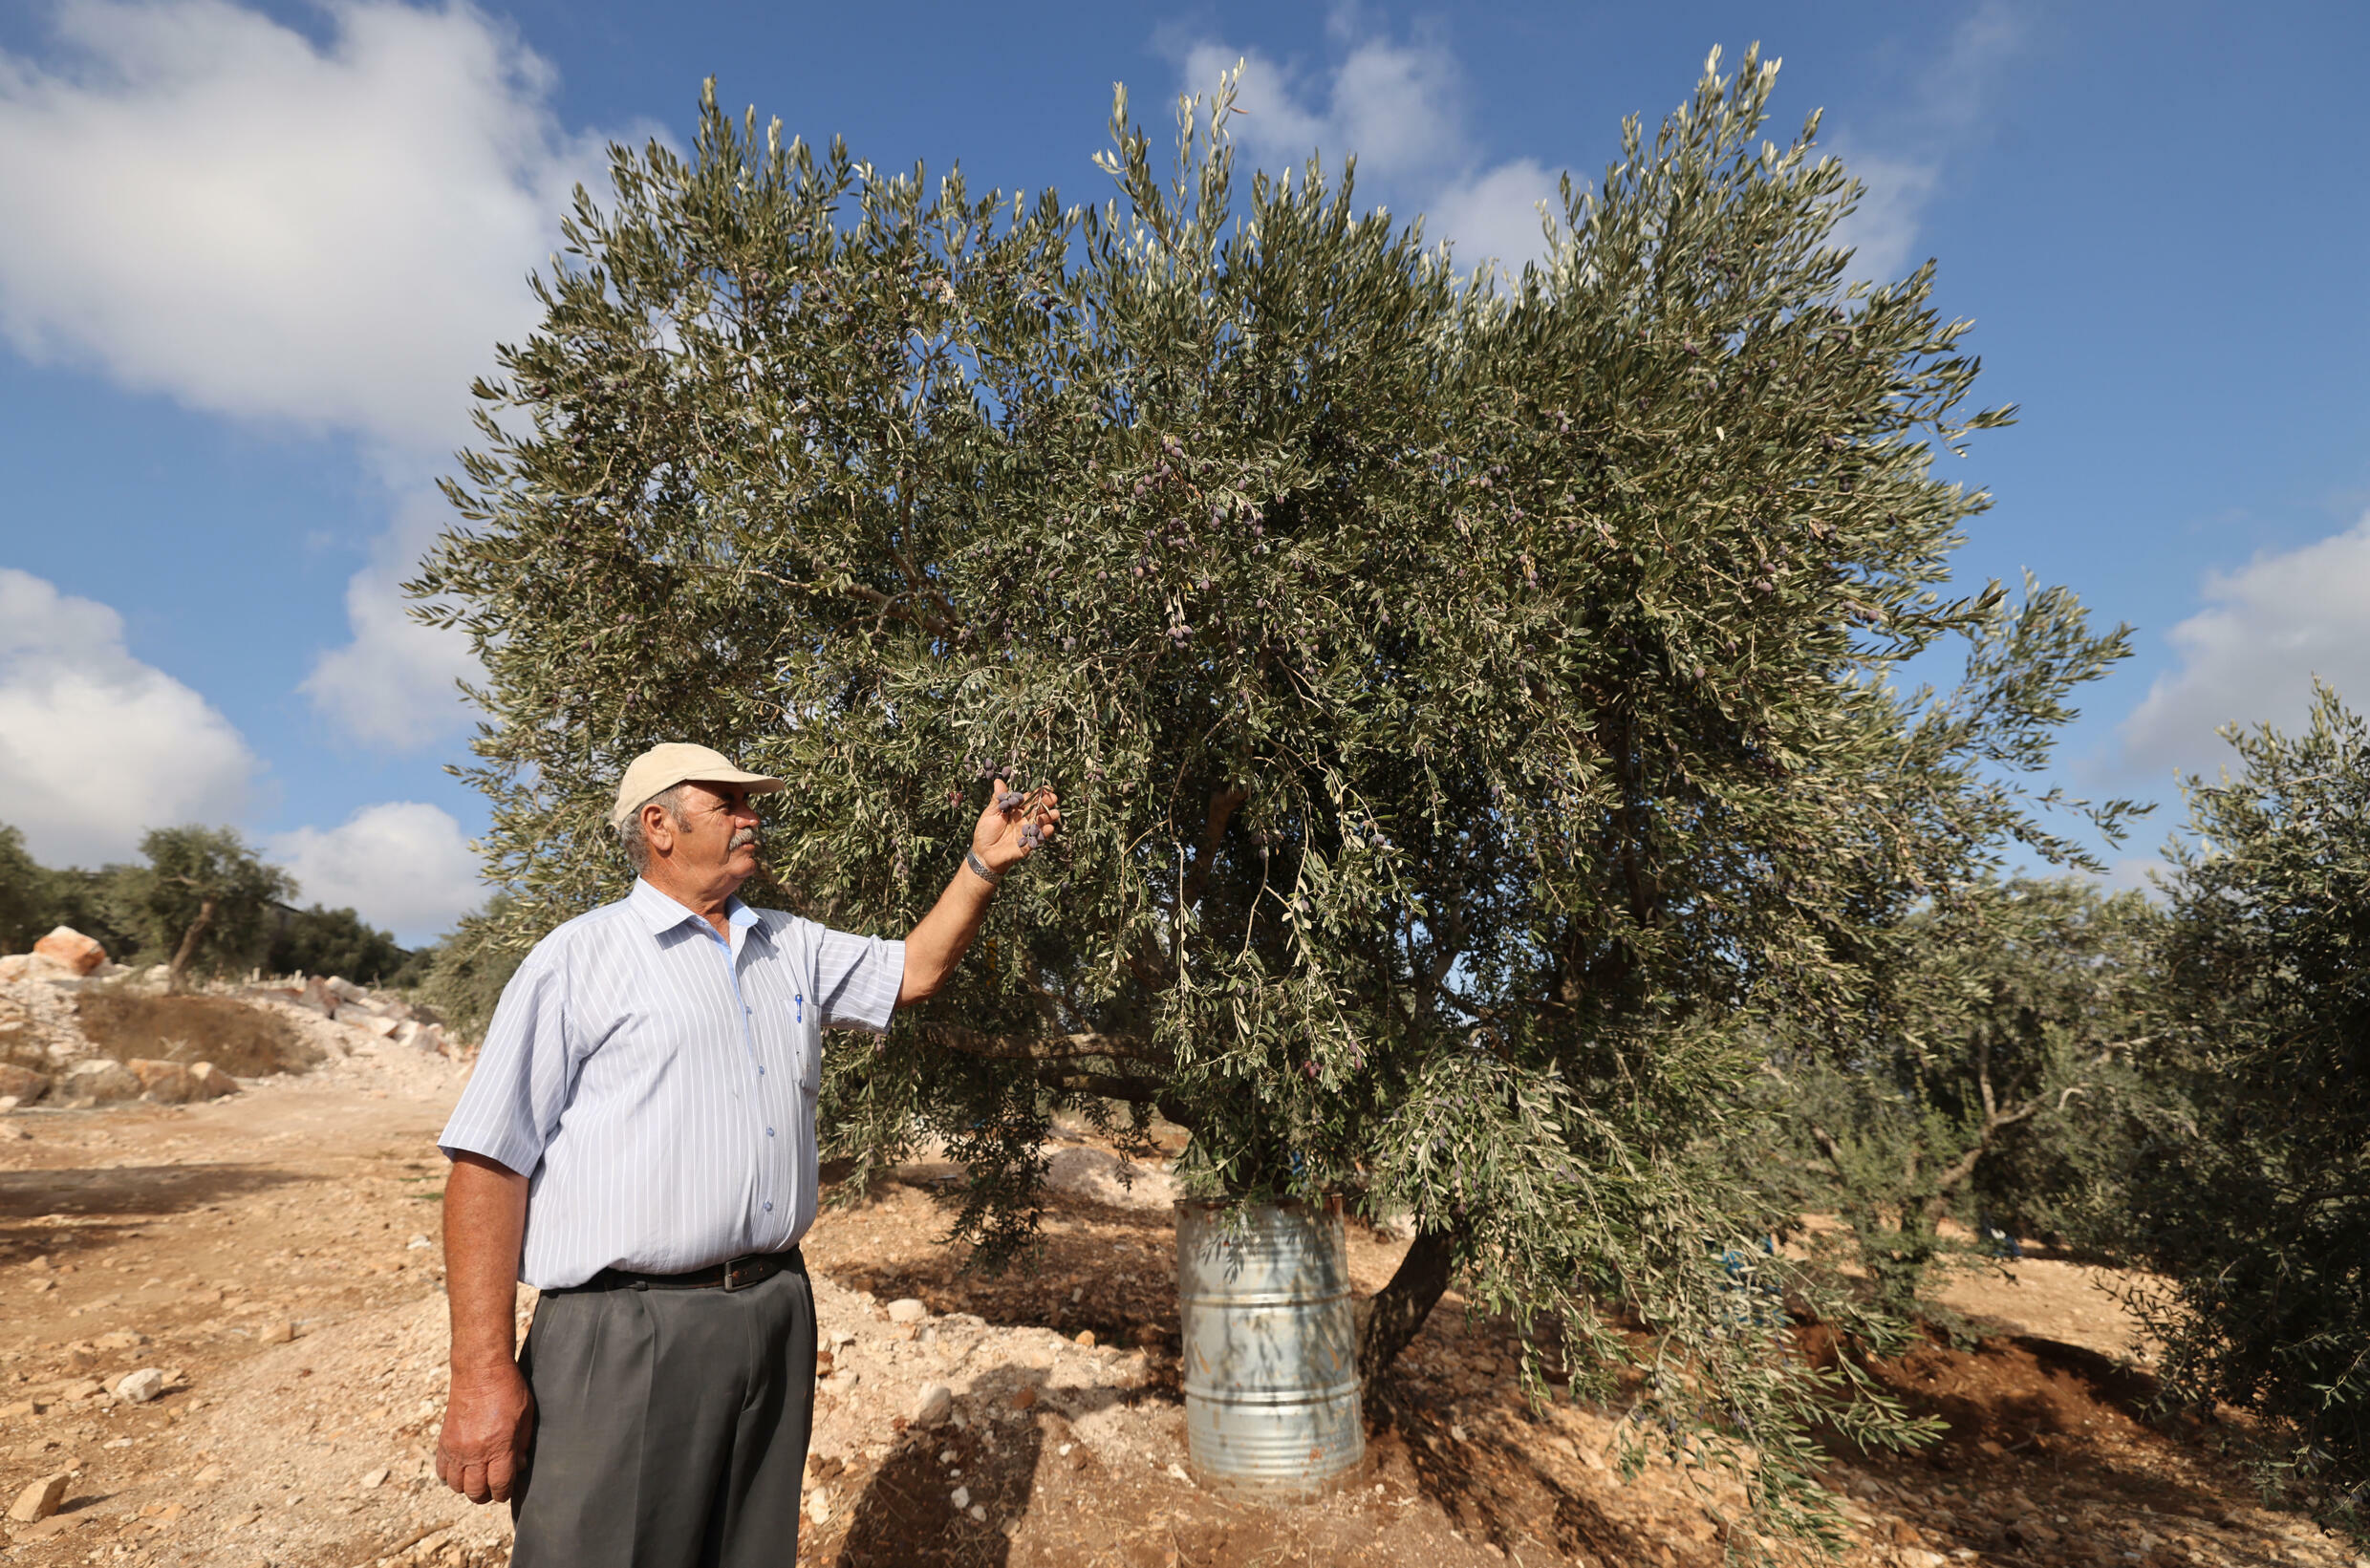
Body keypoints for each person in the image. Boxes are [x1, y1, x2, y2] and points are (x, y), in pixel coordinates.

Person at [430, 741, 1060, 1566]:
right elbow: (487, 1165)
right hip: (624, 1334)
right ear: (659, 824)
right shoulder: (577, 960)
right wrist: (480, 1374)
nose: (751, 817)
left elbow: (914, 969)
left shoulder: (786, 945)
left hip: (773, 1314)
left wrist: (982, 862)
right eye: (728, 802)